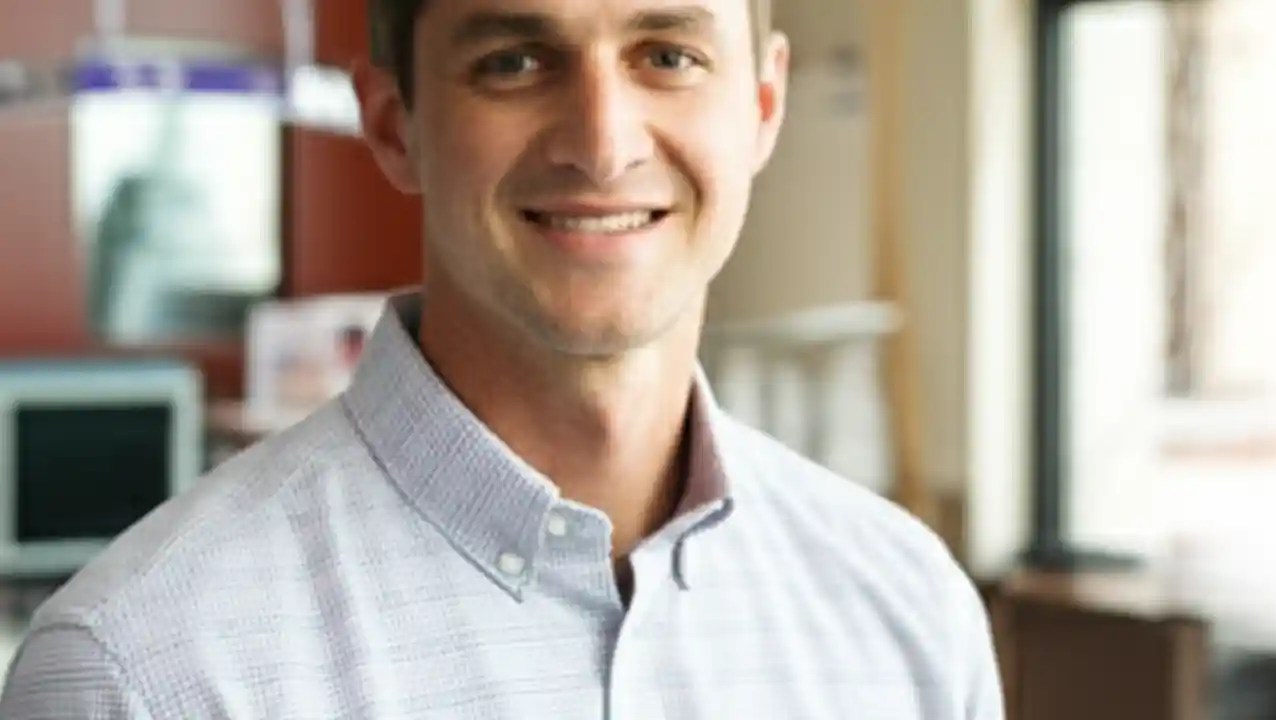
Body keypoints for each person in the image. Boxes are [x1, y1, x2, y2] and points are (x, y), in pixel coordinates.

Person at [0, 0, 1004, 717]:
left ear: (762, 106)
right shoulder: (144, 670)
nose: (602, 145)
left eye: (667, 55)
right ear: (393, 125)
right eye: (515, 61)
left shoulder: (906, 610)